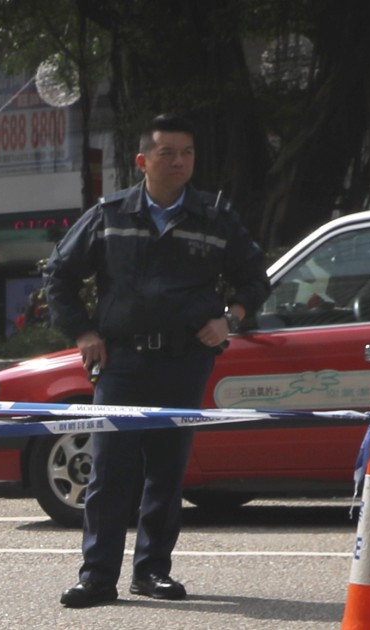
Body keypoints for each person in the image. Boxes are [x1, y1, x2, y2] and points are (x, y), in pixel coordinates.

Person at [45, 114, 270, 608]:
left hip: (184, 361)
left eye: (187, 153)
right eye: (167, 153)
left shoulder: (215, 216)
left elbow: (257, 277)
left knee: (167, 474)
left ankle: (151, 572)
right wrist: (82, 332)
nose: (179, 162)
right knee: (109, 472)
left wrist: (229, 317)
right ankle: (98, 577)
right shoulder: (110, 214)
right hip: (121, 361)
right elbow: (59, 274)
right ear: (143, 160)